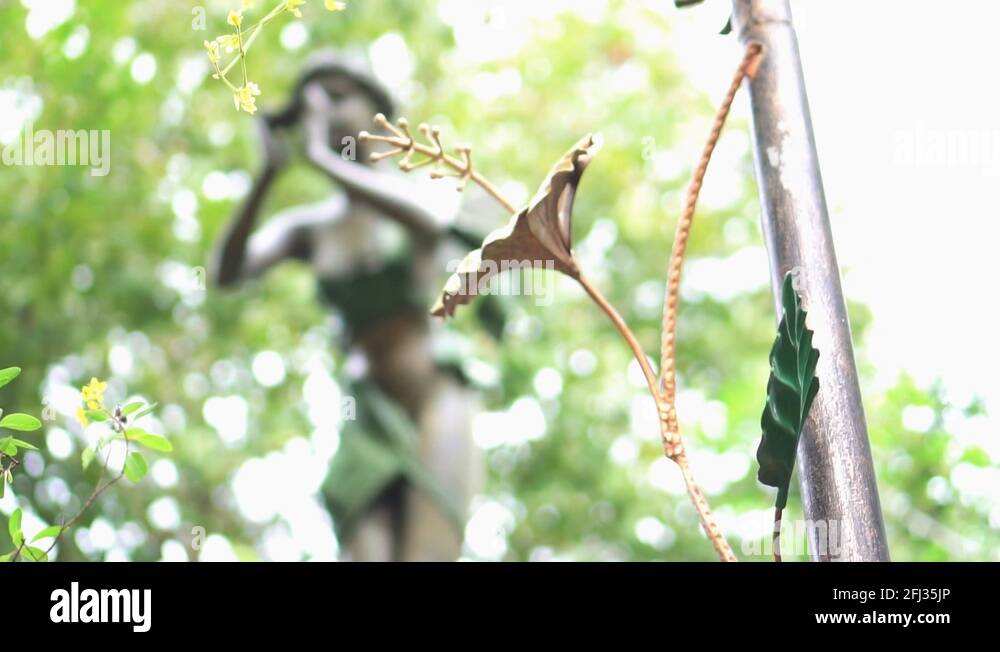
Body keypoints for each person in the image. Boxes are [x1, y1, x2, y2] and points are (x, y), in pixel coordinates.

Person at [211, 53, 497, 561]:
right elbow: (227, 273)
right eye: (312, 104)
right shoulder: (311, 228)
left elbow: (430, 226)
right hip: (367, 408)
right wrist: (267, 176)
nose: (324, 111)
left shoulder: (415, 193)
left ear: (376, 112)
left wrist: (324, 160)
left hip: (435, 394)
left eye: (338, 97)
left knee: (429, 551)